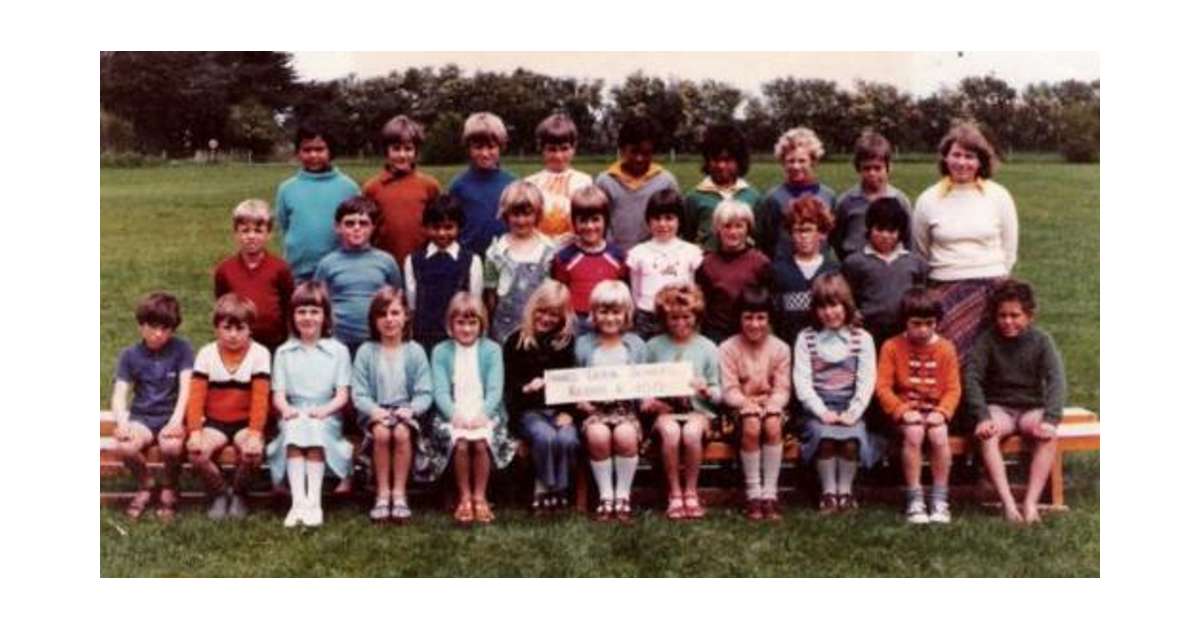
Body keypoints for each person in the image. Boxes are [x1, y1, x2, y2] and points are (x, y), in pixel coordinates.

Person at [912, 122, 1018, 364]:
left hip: (992, 289)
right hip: (945, 292)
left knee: (992, 360)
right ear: (945, 158)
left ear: (981, 161)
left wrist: (995, 282)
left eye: (969, 156)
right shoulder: (928, 199)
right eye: (956, 155)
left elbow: (1009, 248)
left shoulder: (999, 195)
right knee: (949, 361)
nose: (962, 162)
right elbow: (921, 251)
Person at [965, 279, 1066, 524]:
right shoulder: (987, 340)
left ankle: (1031, 502)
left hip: (1031, 407)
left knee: (1047, 436)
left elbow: (1057, 379)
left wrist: (1050, 419)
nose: (1008, 321)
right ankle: (1008, 504)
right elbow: (972, 377)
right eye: (1002, 315)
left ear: (1030, 315)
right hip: (999, 408)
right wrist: (983, 416)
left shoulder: (1042, 340)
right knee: (988, 435)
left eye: (1015, 315)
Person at [266, 283, 353, 528]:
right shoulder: (284, 352)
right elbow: (278, 395)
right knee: (295, 428)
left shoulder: (338, 351)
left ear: (325, 315)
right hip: (294, 411)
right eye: (301, 312)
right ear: (293, 317)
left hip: (326, 414)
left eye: (314, 311)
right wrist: (286, 410)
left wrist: (324, 411)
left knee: (314, 427)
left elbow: (342, 395)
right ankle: (298, 502)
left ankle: (314, 502)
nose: (308, 318)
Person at [793, 274, 878, 515]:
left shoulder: (862, 339)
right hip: (817, 408)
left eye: (834, 305)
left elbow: (866, 381)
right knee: (826, 439)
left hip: (850, 406)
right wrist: (822, 412)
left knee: (851, 441)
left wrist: (853, 413)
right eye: (823, 307)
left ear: (846, 305)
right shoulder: (806, 338)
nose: (829, 313)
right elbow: (802, 382)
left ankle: (846, 492)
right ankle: (829, 493)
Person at [875, 288, 960, 524]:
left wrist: (942, 412)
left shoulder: (946, 349)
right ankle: (915, 497)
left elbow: (953, 389)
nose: (923, 329)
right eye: (916, 323)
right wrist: (902, 411)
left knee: (939, 435)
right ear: (905, 321)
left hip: (935, 412)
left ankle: (940, 498)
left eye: (929, 323)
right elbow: (882, 387)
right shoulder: (891, 346)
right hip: (905, 412)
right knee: (914, 434)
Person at [429, 292, 515, 525]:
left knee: (479, 441)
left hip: (485, 410)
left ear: (481, 324)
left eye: (472, 322)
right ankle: (464, 496)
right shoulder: (440, 351)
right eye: (460, 323)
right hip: (453, 411)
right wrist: (454, 414)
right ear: (450, 324)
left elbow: (495, 390)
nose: (466, 329)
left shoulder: (492, 350)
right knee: (461, 443)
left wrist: (483, 415)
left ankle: (480, 496)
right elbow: (440, 391)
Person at [352, 287, 434, 523]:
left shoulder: (415, 351)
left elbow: (425, 392)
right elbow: (359, 393)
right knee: (381, 434)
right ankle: (382, 493)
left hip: (405, 412)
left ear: (406, 316)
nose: (389, 320)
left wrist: (411, 410)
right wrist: (374, 411)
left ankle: (399, 493)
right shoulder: (366, 352)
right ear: (374, 320)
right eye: (382, 314)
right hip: (375, 411)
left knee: (399, 433)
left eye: (395, 313)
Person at [186, 293, 272, 520]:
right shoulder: (206, 353)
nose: (233, 335)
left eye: (240, 328)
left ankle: (239, 494)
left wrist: (254, 434)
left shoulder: (259, 354)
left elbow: (260, 400)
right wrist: (195, 431)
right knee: (197, 452)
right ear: (216, 328)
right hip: (216, 422)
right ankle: (221, 493)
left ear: (250, 329)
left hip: (245, 423)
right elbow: (195, 398)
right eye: (227, 328)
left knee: (252, 453)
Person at [111, 292, 193, 520]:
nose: (159, 334)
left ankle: (170, 486)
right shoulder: (129, 355)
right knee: (126, 447)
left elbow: (187, 388)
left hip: (171, 416)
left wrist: (177, 420)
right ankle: (146, 484)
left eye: (166, 329)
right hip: (142, 418)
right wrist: (123, 423)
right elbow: (119, 394)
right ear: (141, 325)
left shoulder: (182, 348)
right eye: (153, 327)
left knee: (171, 447)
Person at [643, 284, 721, 520]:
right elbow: (642, 385)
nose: (679, 323)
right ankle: (674, 493)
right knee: (670, 431)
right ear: (664, 318)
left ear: (695, 316)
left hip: (698, 413)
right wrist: (649, 401)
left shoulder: (707, 347)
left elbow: (719, 392)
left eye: (686, 317)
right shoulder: (653, 346)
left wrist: (706, 390)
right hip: (664, 414)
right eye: (673, 318)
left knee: (690, 432)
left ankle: (691, 492)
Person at [502, 280, 579, 514]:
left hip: (559, 410)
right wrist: (525, 389)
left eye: (554, 315)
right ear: (532, 308)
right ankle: (544, 486)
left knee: (567, 439)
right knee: (544, 436)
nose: (546, 318)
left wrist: (569, 412)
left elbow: (574, 384)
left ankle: (560, 488)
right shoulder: (516, 341)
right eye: (542, 312)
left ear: (564, 316)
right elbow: (509, 388)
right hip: (528, 412)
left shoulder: (567, 343)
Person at [573, 280, 647, 522]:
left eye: (616, 312)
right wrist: (581, 401)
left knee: (625, 436)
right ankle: (606, 495)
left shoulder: (636, 345)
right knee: (598, 436)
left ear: (626, 313)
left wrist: (647, 399)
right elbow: (575, 381)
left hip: (626, 410)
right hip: (594, 411)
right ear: (593, 313)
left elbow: (644, 381)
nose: (610, 318)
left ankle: (622, 495)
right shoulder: (584, 344)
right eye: (603, 312)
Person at [719, 288, 791, 521]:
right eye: (748, 317)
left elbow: (782, 388)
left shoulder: (780, 348)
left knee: (772, 425)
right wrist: (745, 403)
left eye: (761, 318)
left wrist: (773, 404)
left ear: (769, 319)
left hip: (771, 405)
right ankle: (753, 494)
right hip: (739, 407)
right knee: (751, 424)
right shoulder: (728, 348)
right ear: (739, 318)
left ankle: (769, 493)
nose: (754, 324)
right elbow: (728, 389)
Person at [313, 195, 403, 358]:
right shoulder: (327, 263)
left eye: (363, 223)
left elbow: (397, 299)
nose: (356, 228)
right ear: (337, 227)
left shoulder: (386, 261)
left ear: (373, 227)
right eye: (349, 223)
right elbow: (319, 303)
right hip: (339, 342)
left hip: (376, 340)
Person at [275, 120, 360, 282]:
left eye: (319, 149)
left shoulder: (349, 188)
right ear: (298, 153)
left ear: (330, 151)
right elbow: (284, 226)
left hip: (338, 272)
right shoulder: (286, 189)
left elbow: (357, 226)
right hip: (298, 272)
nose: (313, 155)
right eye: (307, 150)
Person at [841, 197, 929, 346]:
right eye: (879, 229)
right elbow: (845, 295)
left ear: (900, 232)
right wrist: (852, 312)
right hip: (868, 332)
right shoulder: (855, 262)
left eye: (891, 230)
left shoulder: (914, 262)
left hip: (904, 332)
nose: (885, 236)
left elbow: (921, 295)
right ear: (869, 229)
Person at [404, 194, 484, 352]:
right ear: (426, 227)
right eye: (435, 227)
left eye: (448, 227)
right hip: (424, 337)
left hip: (460, 337)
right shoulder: (413, 261)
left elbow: (475, 303)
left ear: (459, 227)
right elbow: (412, 305)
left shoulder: (471, 261)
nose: (441, 233)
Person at [363, 115, 441, 270]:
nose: (402, 155)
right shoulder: (372, 187)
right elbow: (367, 229)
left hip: (422, 263)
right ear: (386, 151)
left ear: (416, 151)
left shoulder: (429, 185)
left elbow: (438, 225)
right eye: (396, 149)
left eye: (408, 149)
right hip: (382, 263)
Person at [484, 181, 556, 343]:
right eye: (515, 215)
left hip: (539, 326)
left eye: (527, 214)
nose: (521, 221)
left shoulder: (549, 250)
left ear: (537, 215)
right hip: (504, 329)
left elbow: (553, 292)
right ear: (505, 215)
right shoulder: (495, 251)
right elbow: (491, 294)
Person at [594, 116, 680, 253]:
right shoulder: (605, 181)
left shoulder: (666, 181)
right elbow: (598, 223)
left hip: (655, 259)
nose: (639, 158)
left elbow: (676, 224)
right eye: (634, 151)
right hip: (614, 256)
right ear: (622, 150)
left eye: (646, 153)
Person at [626, 188, 703, 338]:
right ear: (648, 220)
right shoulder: (638, 253)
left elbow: (693, 288)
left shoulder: (691, 251)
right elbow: (635, 292)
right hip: (647, 318)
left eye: (669, 218)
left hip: (680, 317)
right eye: (657, 218)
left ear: (679, 220)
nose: (662, 224)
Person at [695, 199, 772, 344]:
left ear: (748, 228)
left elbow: (769, 302)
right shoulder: (707, 263)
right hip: (716, 333)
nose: (733, 232)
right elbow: (702, 303)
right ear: (717, 229)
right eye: (727, 226)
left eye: (739, 226)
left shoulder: (761, 262)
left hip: (749, 332)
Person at [551, 186, 627, 331]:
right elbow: (560, 295)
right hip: (576, 322)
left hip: (610, 321)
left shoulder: (618, 256)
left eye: (595, 220)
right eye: (583, 221)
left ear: (606, 221)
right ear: (574, 222)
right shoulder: (564, 258)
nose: (590, 226)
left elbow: (624, 292)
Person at [830, 131, 913, 262]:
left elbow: (908, 239)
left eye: (877, 168)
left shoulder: (899, 200)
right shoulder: (847, 201)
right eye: (867, 168)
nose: (872, 173)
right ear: (858, 168)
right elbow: (837, 238)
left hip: (889, 266)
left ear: (888, 167)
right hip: (854, 267)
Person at [757, 126, 838, 260]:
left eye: (802, 161)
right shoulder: (773, 198)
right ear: (783, 162)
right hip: (785, 269)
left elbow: (833, 236)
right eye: (790, 161)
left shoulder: (828, 196)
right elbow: (766, 240)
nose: (796, 166)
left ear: (813, 162)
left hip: (819, 269)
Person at [682, 123, 762, 252]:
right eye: (716, 159)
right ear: (707, 161)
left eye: (728, 160)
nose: (721, 166)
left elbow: (759, 240)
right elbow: (686, 239)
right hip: (706, 268)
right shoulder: (693, 198)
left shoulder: (753, 197)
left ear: (739, 161)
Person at [772, 196, 840, 347]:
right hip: (790, 347)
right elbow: (775, 314)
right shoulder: (779, 270)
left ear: (822, 233)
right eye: (797, 231)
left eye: (808, 230)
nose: (803, 236)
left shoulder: (834, 271)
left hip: (826, 349)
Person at [447, 112, 518, 256]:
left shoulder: (513, 184)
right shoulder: (458, 186)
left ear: (501, 147)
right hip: (469, 258)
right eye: (478, 147)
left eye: (491, 147)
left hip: (505, 258)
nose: (485, 154)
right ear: (468, 148)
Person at [524, 113, 593, 242]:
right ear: (541, 149)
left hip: (575, 249)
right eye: (552, 149)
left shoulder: (585, 181)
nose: (558, 156)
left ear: (574, 148)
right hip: (540, 251)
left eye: (564, 149)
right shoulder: (530, 183)